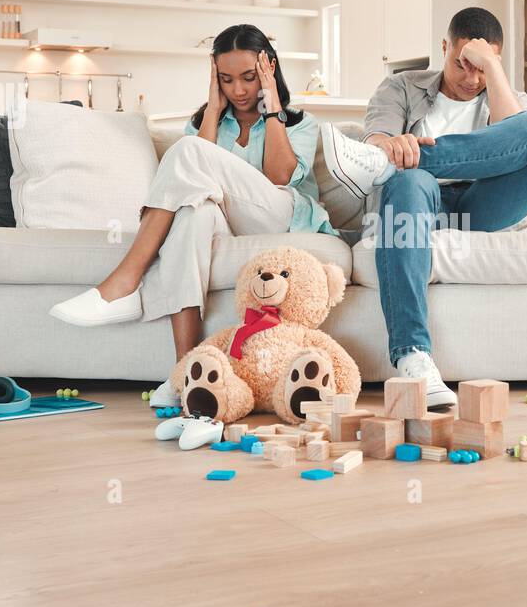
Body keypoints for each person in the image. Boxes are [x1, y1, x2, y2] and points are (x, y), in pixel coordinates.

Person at [50, 24, 335, 407]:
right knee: (192, 217)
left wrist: (272, 109)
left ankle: (124, 280)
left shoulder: (298, 121)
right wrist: (214, 111)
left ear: (269, 69)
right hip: (227, 222)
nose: (239, 90)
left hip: (280, 219)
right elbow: (191, 186)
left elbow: (278, 176)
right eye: (227, 80)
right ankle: (188, 369)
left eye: (250, 78)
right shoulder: (206, 124)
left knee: (188, 152)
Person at [321, 7, 527, 408]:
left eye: (481, 68)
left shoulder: (504, 95)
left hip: (482, 205)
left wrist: (493, 68)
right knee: (410, 178)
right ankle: (413, 356)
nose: (472, 79)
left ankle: (395, 167)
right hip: (416, 205)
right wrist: (385, 151)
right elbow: (379, 136)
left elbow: (518, 138)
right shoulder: (401, 86)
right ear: (444, 48)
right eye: (462, 63)